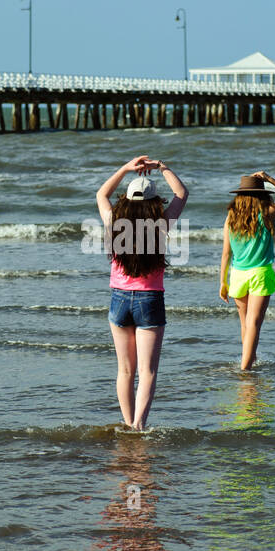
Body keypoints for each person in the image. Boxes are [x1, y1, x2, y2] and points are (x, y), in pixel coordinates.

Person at [96, 155, 187, 430]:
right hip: (149, 300)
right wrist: (162, 167)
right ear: (154, 202)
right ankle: (139, 426)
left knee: (125, 370)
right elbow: (181, 194)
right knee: (147, 372)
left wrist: (125, 168)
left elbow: (102, 193)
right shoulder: (161, 223)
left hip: (119, 299)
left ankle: (127, 424)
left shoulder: (114, 221)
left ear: (127, 200)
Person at [219, 171, 275, 369]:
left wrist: (222, 282)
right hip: (260, 273)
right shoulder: (267, 213)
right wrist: (269, 179)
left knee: (245, 324)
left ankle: (248, 360)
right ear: (261, 194)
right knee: (254, 323)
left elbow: (226, 253)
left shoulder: (231, 217)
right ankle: (245, 368)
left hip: (237, 274)